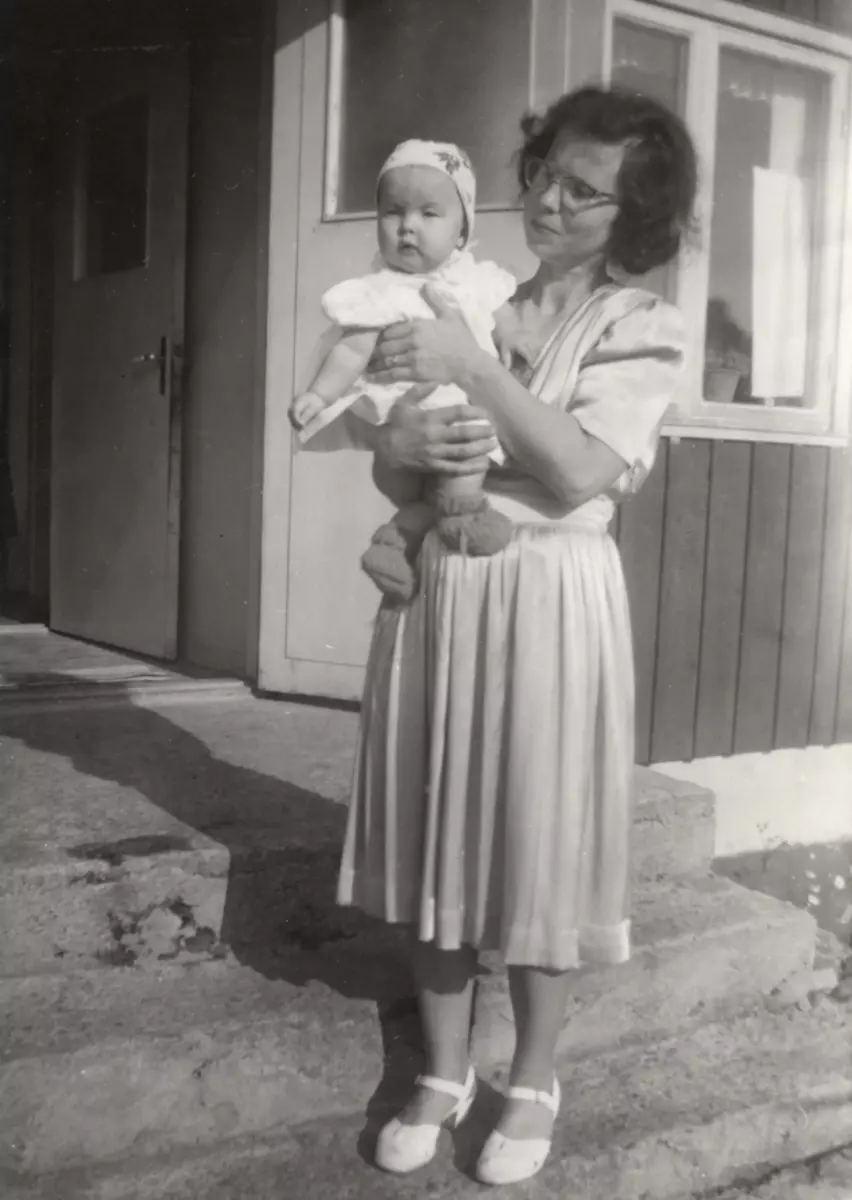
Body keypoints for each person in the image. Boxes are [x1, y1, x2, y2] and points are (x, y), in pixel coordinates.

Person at [336, 85, 697, 1185]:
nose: (547, 200)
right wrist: (400, 427)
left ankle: (533, 1074)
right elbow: (397, 463)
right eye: (543, 173)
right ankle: (443, 1071)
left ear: (631, 216)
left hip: (551, 596)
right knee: (436, 826)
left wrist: (470, 370)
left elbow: (583, 468)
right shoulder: (469, 299)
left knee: (541, 842)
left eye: (584, 192)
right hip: (443, 589)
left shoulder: (642, 325)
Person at [290, 139, 517, 602]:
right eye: (394, 212)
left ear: (461, 230)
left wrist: (516, 337)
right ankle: (462, 516)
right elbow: (351, 352)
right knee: (460, 451)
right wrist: (320, 395)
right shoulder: (378, 291)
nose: (408, 227)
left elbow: (505, 315)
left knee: (441, 476)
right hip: (409, 421)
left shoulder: (478, 279)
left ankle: (396, 542)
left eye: (429, 214)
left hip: (452, 411)